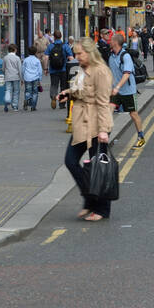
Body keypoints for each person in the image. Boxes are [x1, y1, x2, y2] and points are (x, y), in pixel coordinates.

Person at [59, 39, 115, 222]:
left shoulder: (101, 72)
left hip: (95, 125)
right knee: (71, 161)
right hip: (81, 123)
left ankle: (102, 209)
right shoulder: (82, 70)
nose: (76, 57)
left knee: (100, 168)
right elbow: (79, 90)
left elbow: (102, 103)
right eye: (75, 53)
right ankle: (90, 199)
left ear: (90, 53)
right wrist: (68, 93)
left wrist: (104, 130)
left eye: (79, 54)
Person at [109, 32, 146, 148]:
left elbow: (126, 74)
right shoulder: (111, 56)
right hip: (116, 91)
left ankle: (141, 137)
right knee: (108, 112)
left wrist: (117, 87)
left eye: (111, 40)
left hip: (128, 91)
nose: (110, 41)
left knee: (133, 114)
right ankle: (105, 139)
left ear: (115, 42)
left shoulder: (125, 56)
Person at [46, 31, 72, 110]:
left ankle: (53, 97)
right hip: (63, 69)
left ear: (54, 37)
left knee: (54, 85)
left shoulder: (50, 46)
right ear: (61, 36)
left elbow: (45, 57)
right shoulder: (65, 46)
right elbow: (71, 57)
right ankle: (61, 103)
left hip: (53, 70)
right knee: (63, 86)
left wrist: (45, 68)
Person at [21, 46, 43, 110]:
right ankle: (33, 106)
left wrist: (22, 77)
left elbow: (23, 69)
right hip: (35, 78)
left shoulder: (25, 60)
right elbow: (40, 71)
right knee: (35, 92)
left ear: (28, 52)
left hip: (27, 78)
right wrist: (40, 79)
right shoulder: (37, 60)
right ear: (36, 52)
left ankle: (27, 99)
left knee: (27, 90)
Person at [2, 43, 22, 112]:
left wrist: (5, 73)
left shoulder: (5, 58)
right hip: (16, 77)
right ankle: (15, 106)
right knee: (16, 91)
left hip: (8, 77)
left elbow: (3, 68)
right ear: (15, 50)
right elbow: (19, 69)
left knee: (8, 90)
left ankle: (7, 102)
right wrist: (21, 78)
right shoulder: (17, 58)